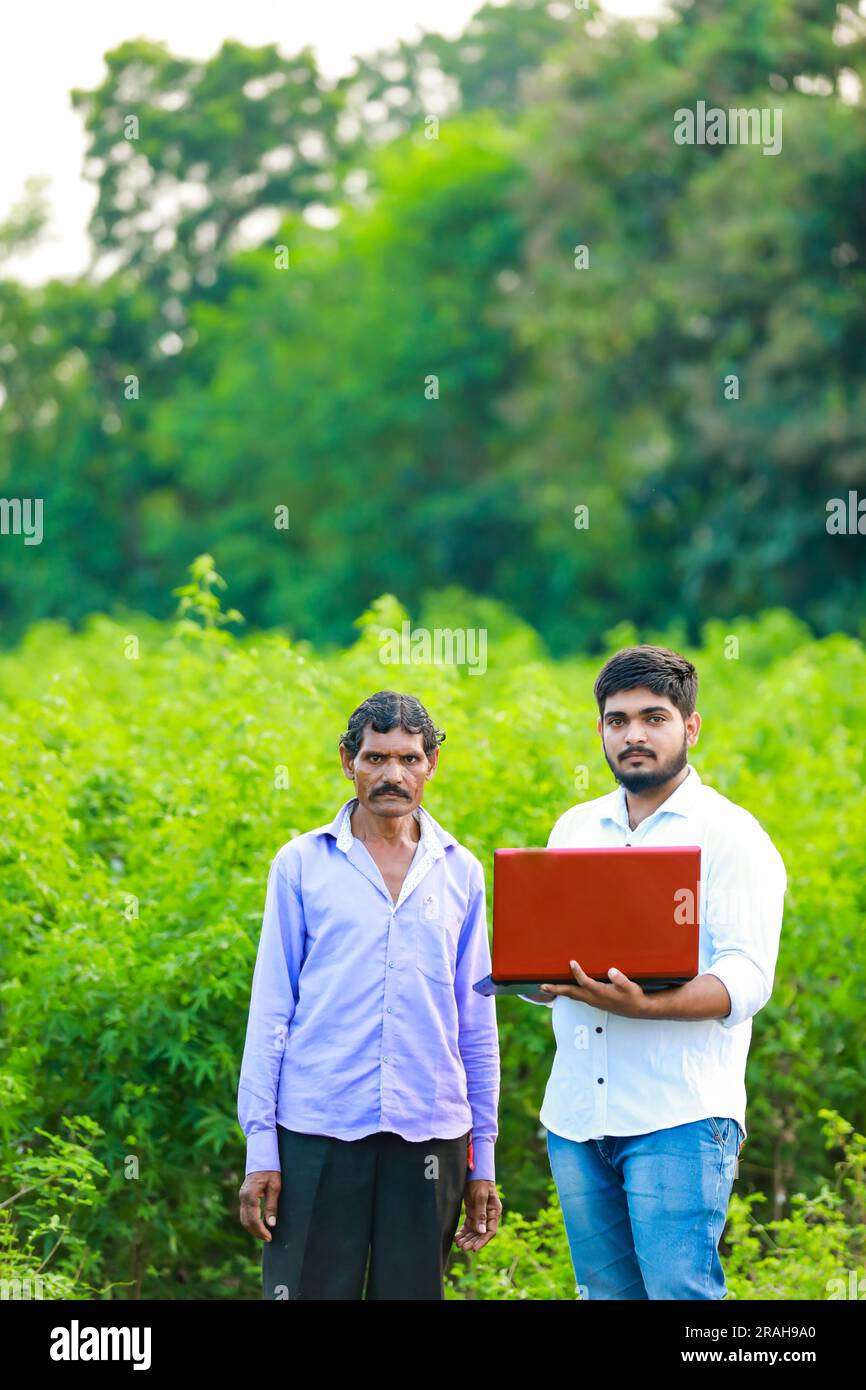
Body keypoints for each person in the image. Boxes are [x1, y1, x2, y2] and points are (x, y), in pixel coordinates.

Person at [522, 644, 786, 1300]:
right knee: (604, 1297)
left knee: (680, 1296)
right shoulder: (574, 829)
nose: (634, 734)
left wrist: (648, 1007)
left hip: (680, 1114)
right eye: (617, 720)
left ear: (690, 726)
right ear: (601, 730)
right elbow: (560, 957)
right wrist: (530, 976)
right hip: (578, 1114)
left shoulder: (731, 836)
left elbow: (747, 977)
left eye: (654, 717)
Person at [237, 691, 501, 1299]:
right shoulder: (301, 864)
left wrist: (481, 1161)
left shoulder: (461, 871)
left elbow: (475, 1023)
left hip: (430, 1134)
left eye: (409, 758)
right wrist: (261, 1148)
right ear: (347, 761)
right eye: (376, 758)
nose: (392, 775)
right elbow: (271, 1010)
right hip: (317, 1128)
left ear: (432, 762)